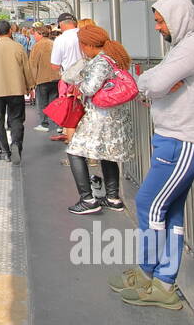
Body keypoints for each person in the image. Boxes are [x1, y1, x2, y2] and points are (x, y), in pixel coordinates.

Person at [112, 0, 194, 311]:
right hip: (177, 139)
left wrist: (154, 84)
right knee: (170, 211)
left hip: (186, 140)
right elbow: (153, 82)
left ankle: (149, 273)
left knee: (149, 202)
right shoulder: (185, 47)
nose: (159, 28)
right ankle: (162, 281)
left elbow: (152, 81)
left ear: (179, 18)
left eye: (162, 22)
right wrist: (155, 84)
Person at [63, 26, 134, 214]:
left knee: (75, 151)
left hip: (100, 117)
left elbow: (89, 88)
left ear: (87, 45)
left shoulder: (101, 62)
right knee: (107, 154)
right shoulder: (111, 58)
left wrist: (80, 81)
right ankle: (112, 197)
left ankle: (87, 199)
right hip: (113, 117)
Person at [0, 19, 35, 165]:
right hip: (16, 90)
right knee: (16, 119)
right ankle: (16, 144)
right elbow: (26, 69)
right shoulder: (18, 48)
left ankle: (5, 152)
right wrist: (30, 86)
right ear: (10, 31)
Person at [50, 12, 83, 143]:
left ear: (61, 25)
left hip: (69, 83)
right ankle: (91, 157)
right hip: (88, 80)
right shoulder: (85, 34)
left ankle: (75, 154)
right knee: (87, 116)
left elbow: (54, 65)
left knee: (71, 118)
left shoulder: (60, 40)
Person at [28, 22, 60, 133]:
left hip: (42, 79)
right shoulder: (53, 43)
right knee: (55, 102)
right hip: (56, 77)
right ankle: (59, 125)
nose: (34, 36)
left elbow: (33, 65)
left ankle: (44, 124)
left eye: (35, 34)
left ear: (40, 34)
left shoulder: (37, 46)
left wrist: (31, 83)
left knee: (42, 102)